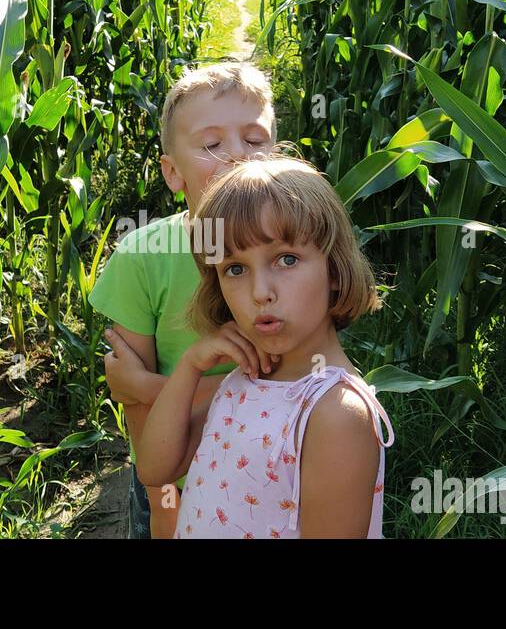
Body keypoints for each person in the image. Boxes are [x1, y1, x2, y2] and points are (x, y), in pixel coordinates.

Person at [135, 157, 395, 538]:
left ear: (335, 272)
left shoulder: (335, 413)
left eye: (286, 260)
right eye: (235, 269)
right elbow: (155, 468)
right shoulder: (247, 379)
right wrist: (191, 365)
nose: (260, 293)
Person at [88, 63, 278, 539]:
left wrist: (153, 386)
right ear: (172, 173)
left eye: (255, 140)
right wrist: (164, 505)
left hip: (272, 469)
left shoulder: (296, 256)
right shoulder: (141, 260)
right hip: (176, 475)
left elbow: (289, 383)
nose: (238, 155)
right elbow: (133, 406)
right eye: (212, 145)